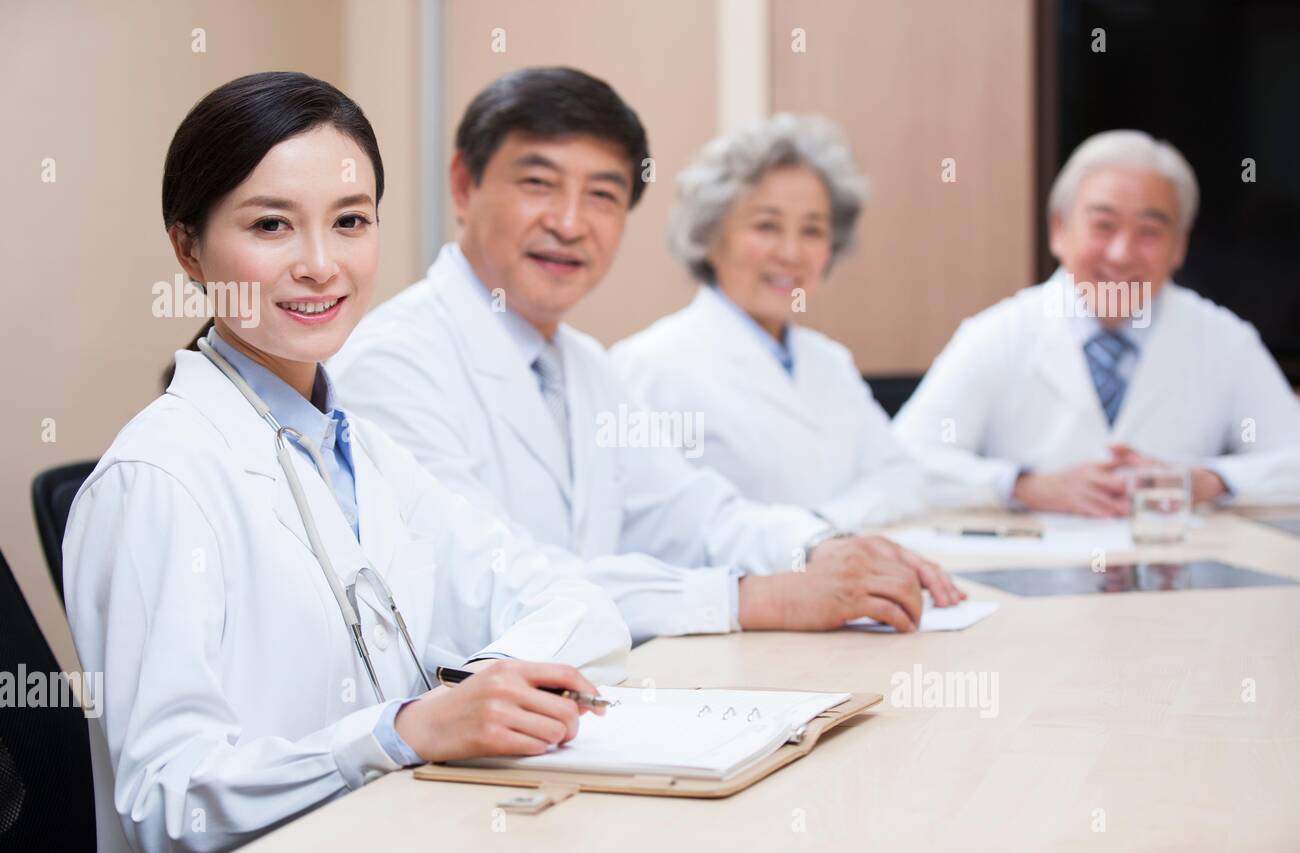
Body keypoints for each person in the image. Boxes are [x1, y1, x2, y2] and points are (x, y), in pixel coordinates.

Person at [63, 72, 629, 853]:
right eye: (271, 226)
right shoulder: (158, 479)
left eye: (350, 221)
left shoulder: (362, 452)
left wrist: (487, 689)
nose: (321, 265)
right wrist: (401, 731)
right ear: (188, 247)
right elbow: (168, 804)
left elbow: (572, 598)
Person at [331, 67, 964, 644]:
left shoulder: (585, 365)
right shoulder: (392, 363)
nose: (572, 223)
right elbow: (498, 583)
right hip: (459, 732)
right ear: (465, 186)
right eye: (539, 184)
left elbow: (691, 512)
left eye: (603, 195)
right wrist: (760, 596)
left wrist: (817, 546)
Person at [892, 130, 1300, 514]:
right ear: (1059, 231)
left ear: (1180, 246)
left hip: (1178, 577)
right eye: (1103, 226)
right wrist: (1024, 487)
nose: (1122, 254)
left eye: (1150, 232)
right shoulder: (998, 335)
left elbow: (1292, 460)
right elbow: (901, 463)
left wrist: (1209, 481)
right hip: (1034, 577)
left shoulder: (1225, 340)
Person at [612, 114, 926, 529]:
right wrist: (805, 540)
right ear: (709, 237)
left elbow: (902, 479)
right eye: (766, 226)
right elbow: (645, 526)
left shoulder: (829, 362)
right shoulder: (648, 366)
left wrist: (822, 526)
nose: (791, 253)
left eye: (813, 231)